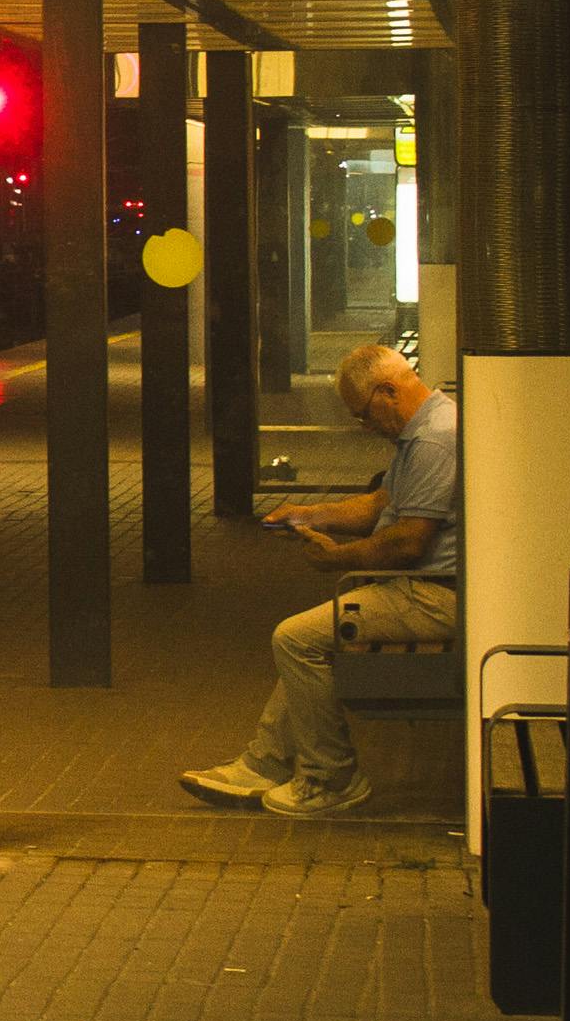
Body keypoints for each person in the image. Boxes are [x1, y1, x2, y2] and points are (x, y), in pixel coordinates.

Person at [183, 341, 457, 818]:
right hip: (423, 588)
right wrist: (308, 514)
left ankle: (330, 777)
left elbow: (407, 542)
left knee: (295, 640)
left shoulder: (434, 440)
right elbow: (377, 506)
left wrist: (336, 559)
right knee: (306, 640)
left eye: (363, 414)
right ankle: (266, 762)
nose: (366, 426)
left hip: (436, 596)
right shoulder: (425, 428)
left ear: (388, 392)